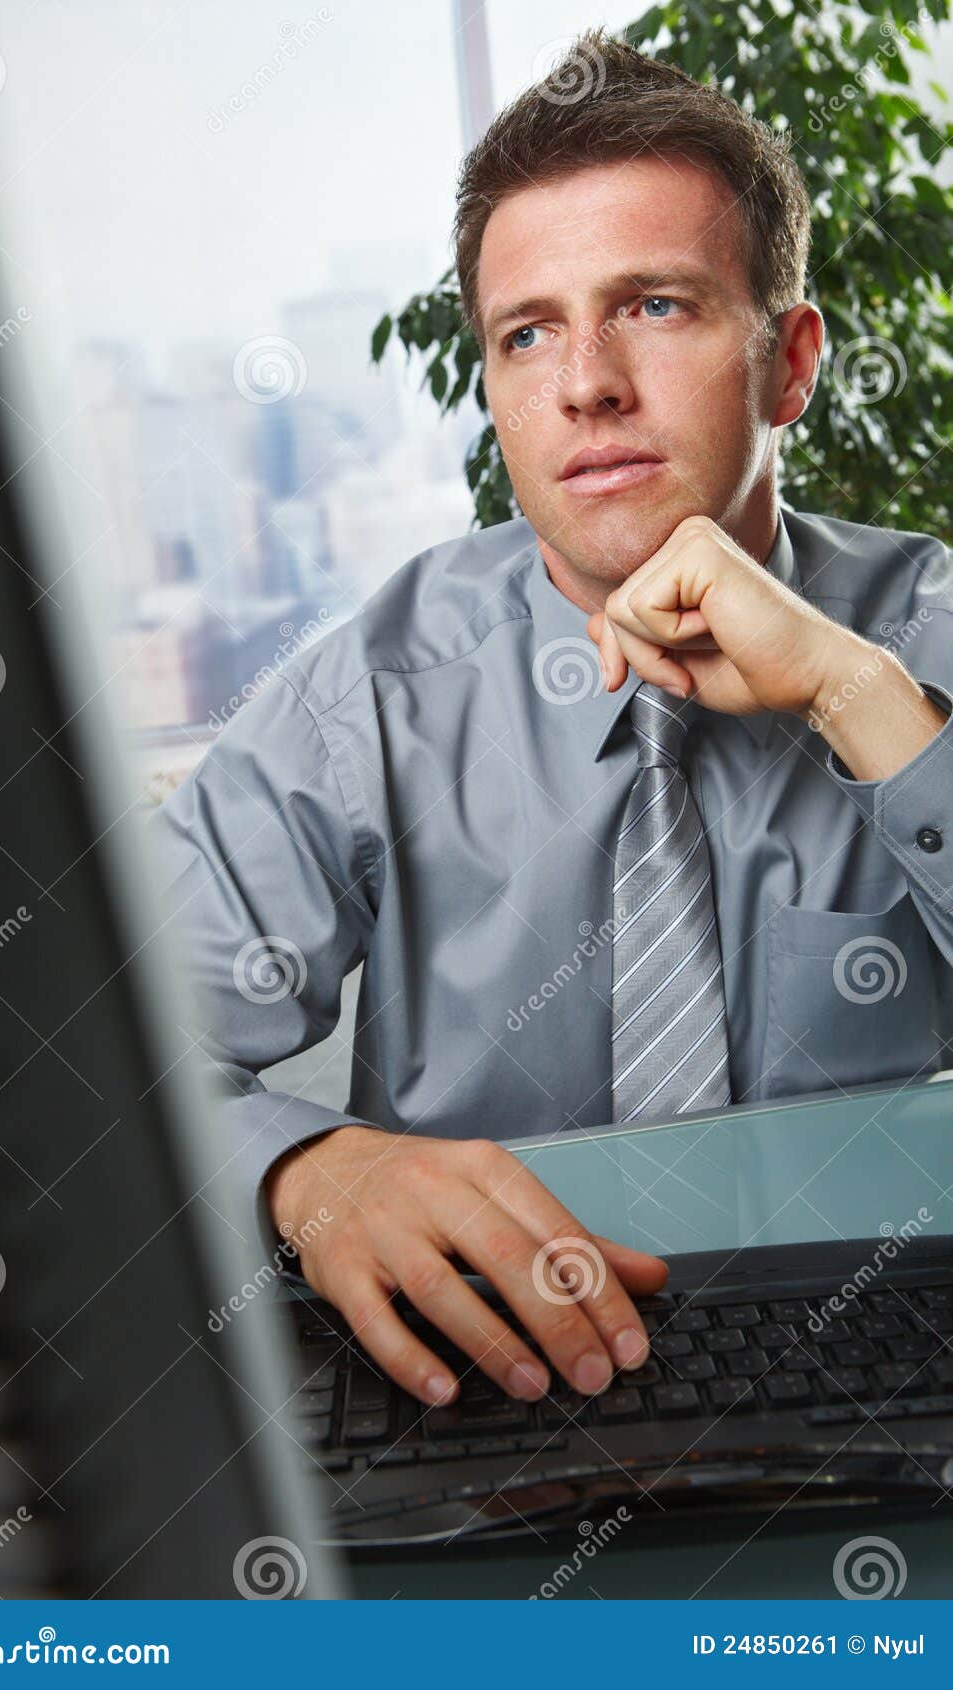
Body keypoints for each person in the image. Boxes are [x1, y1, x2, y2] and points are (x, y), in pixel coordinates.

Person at [148, 30, 953, 1410]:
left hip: (894, 1377)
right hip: (489, 1382)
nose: (585, 383)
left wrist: (860, 697)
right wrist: (300, 1167)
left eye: (654, 306)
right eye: (528, 333)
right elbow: (80, 1054)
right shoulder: (371, 697)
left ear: (790, 363)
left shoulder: (926, 633)